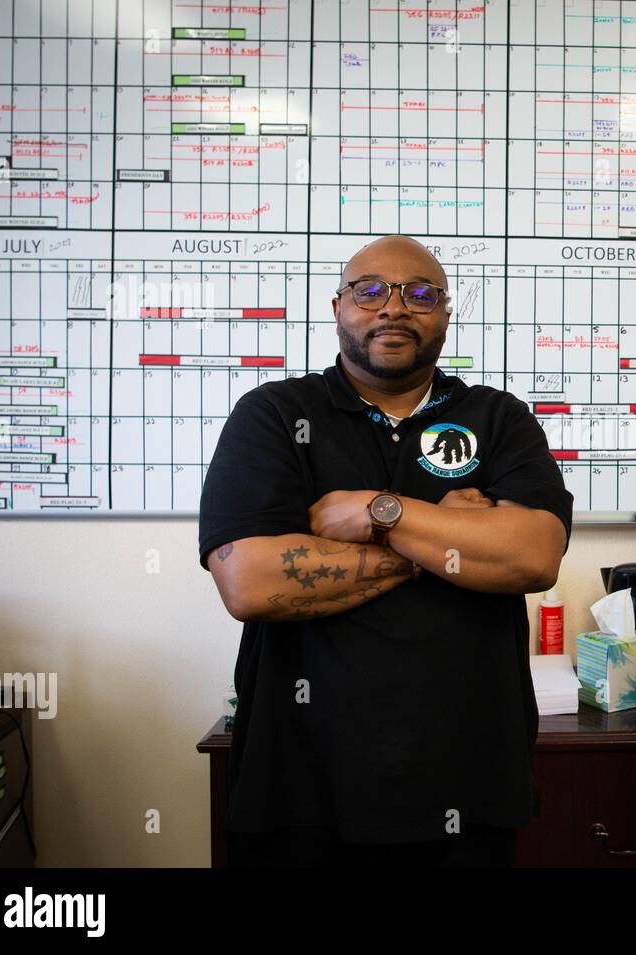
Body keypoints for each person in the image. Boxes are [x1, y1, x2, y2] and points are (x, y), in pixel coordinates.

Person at [198, 234, 573, 867]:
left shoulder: (500, 418)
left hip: (466, 784)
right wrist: (446, 538)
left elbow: (532, 557)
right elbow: (252, 583)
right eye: (370, 290)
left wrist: (380, 513)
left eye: (420, 294)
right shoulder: (273, 414)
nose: (393, 307)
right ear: (339, 306)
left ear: (446, 314)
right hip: (301, 788)